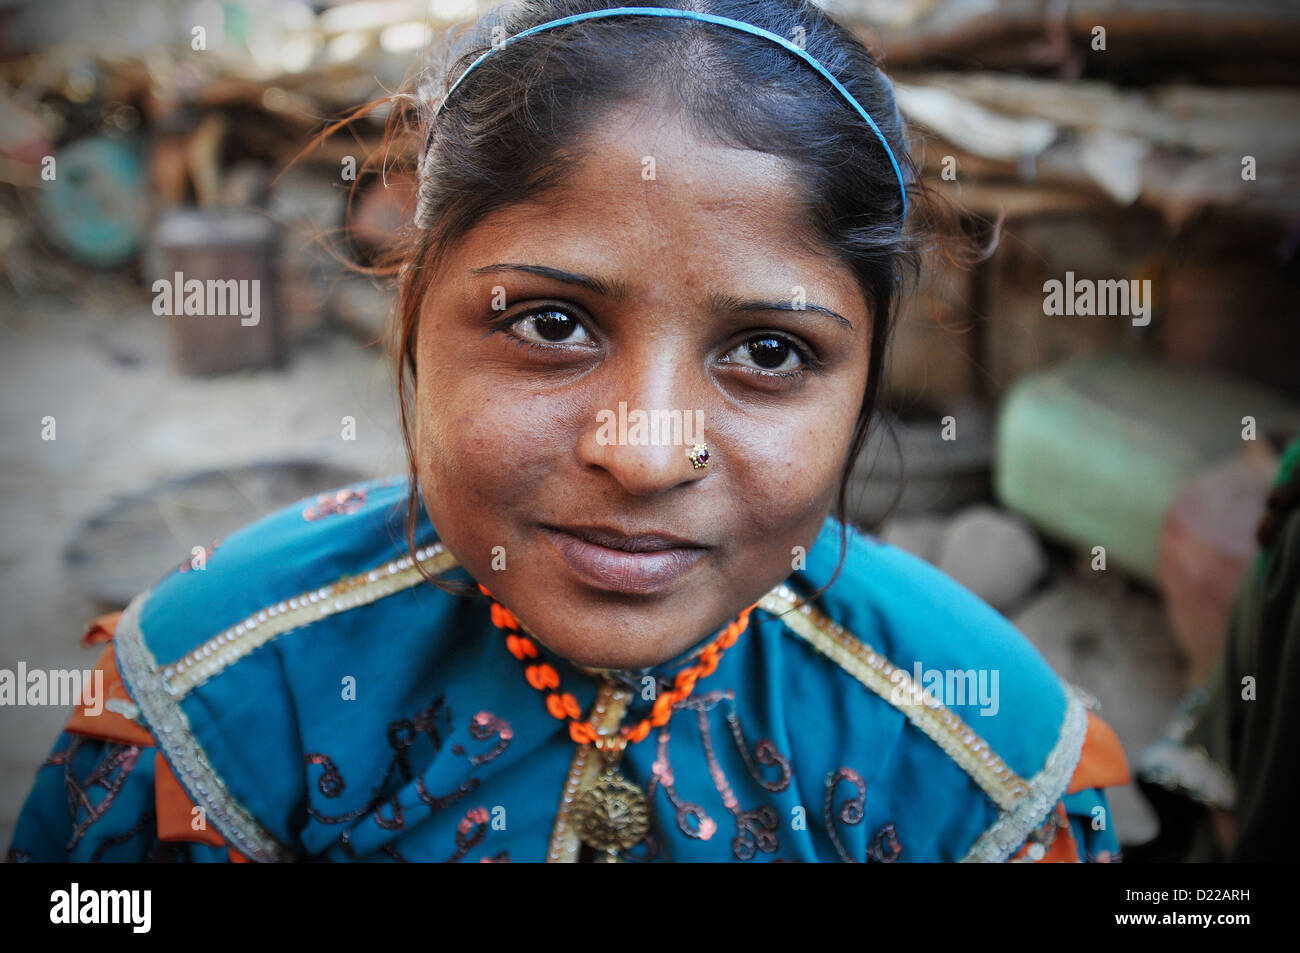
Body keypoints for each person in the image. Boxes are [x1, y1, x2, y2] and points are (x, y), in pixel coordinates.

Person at [7, 0, 1126, 863]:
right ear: (412, 313)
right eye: (552, 323)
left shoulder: (976, 757)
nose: (643, 452)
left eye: (769, 352)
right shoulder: (221, 700)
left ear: (866, 380)